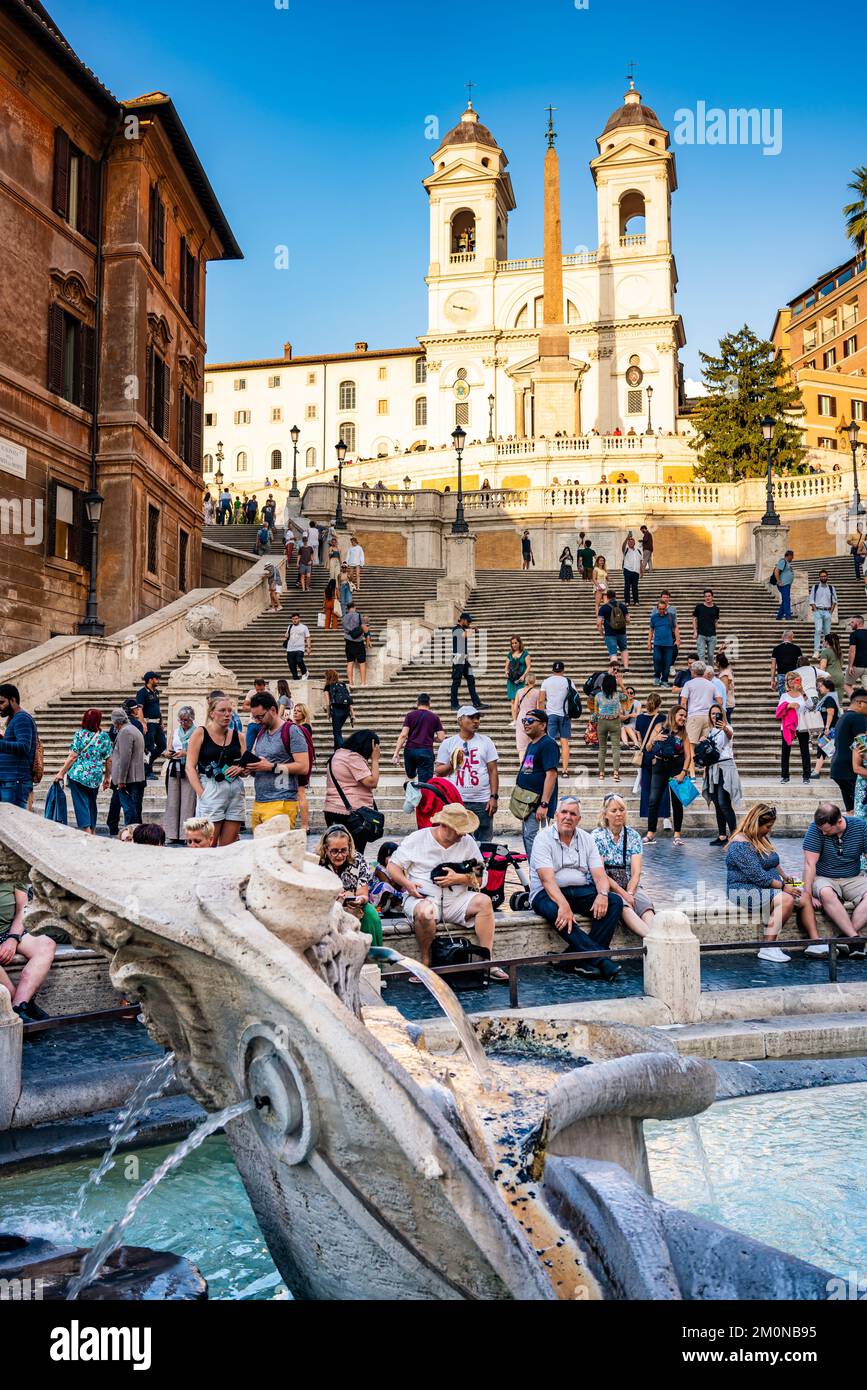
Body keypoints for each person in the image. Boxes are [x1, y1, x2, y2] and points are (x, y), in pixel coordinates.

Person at [387, 805, 507, 979]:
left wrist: (458, 879)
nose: (463, 834)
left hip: (458, 899)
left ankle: (487, 960)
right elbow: (393, 865)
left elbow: (482, 877)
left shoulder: (468, 842)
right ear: (444, 825)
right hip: (423, 898)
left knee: (484, 902)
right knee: (424, 912)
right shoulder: (418, 838)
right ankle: (426, 963)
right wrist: (408, 884)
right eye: (459, 830)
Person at [528, 798, 623, 981]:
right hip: (546, 893)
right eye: (564, 812)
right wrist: (563, 905)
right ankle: (600, 959)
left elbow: (599, 875)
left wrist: (603, 894)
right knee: (556, 910)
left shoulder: (586, 839)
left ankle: (572, 961)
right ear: (556, 816)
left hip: (579, 890)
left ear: (579, 819)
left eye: (573, 814)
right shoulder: (543, 838)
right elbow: (547, 880)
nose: (567, 817)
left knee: (614, 902)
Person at [726, 803, 823, 962]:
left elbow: (774, 863)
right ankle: (768, 947)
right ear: (756, 824)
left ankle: (815, 943)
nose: (769, 830)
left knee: (804, 896)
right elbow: (758, 876)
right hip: (744, 889)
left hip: (768, 886)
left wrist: (790, 881)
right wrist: (785, 888)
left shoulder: (760, 837)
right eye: (767, 827)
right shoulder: (740, 845)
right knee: (786, 898)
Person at [803, 803, 867, 956]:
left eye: (827, 830)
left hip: (853, 877)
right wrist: (808, 895)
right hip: (824, 877)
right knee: (825, 893)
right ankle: (854, 939)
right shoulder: (815, 829)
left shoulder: (860, 826)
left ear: (839, 822)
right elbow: (809, 864)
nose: (823, 834)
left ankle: (844, 938)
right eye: (821, 830)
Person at [185, 694, 245, 847]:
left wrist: (240, 768)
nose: (227, 714)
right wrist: (201, 792)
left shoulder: (239, 736)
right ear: (212, 713)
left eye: (230, 711)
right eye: (222, 710)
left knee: (230, 846)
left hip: (235, 787)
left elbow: (248, 766)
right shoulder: (200, 733)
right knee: (207, 843)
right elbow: (190, 766)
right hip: (211, 786)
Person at [593, 794, 654, 937]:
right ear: (605, 814)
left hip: (630, 884)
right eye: (614, 811)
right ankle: (653, 940)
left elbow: (636, 872)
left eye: (621, 810)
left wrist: (631, 893)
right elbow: (600, 873)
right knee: (623, 905)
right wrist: (624, 894)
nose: (619, 814)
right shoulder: (597, 836)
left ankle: (657, 937)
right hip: (607, 885)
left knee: (645, 906)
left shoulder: (633, 836)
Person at [246, 692, 309, 830]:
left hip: (281, 801)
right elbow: (263, 767)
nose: (257, 721)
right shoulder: (262, 732)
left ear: (273, 710)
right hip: (260, 801)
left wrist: (270, 767)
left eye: (260, 717)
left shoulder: (292, 731)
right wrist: (251, 769)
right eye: (255, 717)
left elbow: (303, 766)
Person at [435, 707, 498, 843]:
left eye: (478, 718)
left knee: (485, 841)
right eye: (471, 718)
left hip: (483, 801)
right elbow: (438, 771)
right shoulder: (448, 743)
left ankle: (483, 864)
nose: (476, 721)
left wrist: (494, 797)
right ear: (460, 720)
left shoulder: (486, 742)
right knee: (459, 841)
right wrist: (453, 764)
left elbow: (493, 770)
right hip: (457, 800)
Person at [0, 880, 56, 1022]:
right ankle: (22, 1004)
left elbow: (22, 908)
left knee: (46, 945)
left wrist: (13, 938)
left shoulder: (11, 871)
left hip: (8, 932)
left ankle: (19, 1007)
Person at [317, 826, 382, 948]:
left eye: (344, 850)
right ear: (326, 849)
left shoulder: (358, 860)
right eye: (334, 851)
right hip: (325, 908)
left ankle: (374, 961)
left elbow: (363, 894)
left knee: (371, 915)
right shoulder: (317, 862)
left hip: (353, 906)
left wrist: (360, 900)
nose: (340, 855)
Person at [51, 709, 112, 833]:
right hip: (95, 776)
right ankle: (92, 830)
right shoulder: (104, 736)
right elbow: (109, 760)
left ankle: (86, 831)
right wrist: (107, 778)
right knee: (91, 804)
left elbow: (73, 756)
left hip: (78, 775)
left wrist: (61, 773)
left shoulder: (80, 734)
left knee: (81, 804)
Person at [323, 729, 381, 854]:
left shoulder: (337, 755)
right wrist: (375, 760)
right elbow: (372, 782)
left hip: (333, 809)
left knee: (338, 853)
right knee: (355, 854)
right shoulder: (353, 757)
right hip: (352, 814)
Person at [644, 705, 693, 847]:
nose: (683, 718)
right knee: (653, 800)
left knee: (677, 802)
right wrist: (654, 739)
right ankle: (650, 834)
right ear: (673, 715)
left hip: (676, 768)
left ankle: (677, 835)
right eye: (681, 715)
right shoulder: (660, 727)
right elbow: (648, 747)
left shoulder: (684, 733)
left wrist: (683, 773)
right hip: (659, 766)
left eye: (685, 716)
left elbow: (689, 756)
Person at [514, 708, 559, 859]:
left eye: (531, 721)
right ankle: (536, 871)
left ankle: (540, 872)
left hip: (538, 804)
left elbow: (551, 774)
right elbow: (528, 770)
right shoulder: (532, 744)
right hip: (527, 801)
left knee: (535, 839)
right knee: (528, 837)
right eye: (524, 721)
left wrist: (544, 804)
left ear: (543, 725)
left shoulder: (548, 744)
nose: (526, 724)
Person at [700, 705, 741, 847]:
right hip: (712, 768)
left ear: (722, 715)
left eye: (717, 713)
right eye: (712, 714)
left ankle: (735, 835)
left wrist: (724, 727)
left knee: (724, 802)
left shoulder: (727, 728)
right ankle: (722, 835)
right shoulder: (710, 732)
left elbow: (730, 735)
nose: (714, 716)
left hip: (725, 767)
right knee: (717, 803)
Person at [106, 707, 146, 827]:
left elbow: (125, 758)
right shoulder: (133, 729)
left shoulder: (125, 732)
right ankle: (117, 827)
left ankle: (131, 832)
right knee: (132, 808)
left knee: (130, 810)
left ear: (116, 723)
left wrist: (121, 780)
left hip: (129, 778)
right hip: (135, 776)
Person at [163, 704, 197, 843]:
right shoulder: (175, 732)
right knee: (172, 801)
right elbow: (167, 749)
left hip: (189, 768)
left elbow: (199, 753)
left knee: (188, 802)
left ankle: (185, 835)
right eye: (181, 720)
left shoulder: (197, 732)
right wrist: (168, 754)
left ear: (192, 719)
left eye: (186, 720)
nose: (183, 723)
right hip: (174, 767)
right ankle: (171, 834)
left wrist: (185, 753)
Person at [392, 694, 444, 784]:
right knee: (425, 783)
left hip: (410, 751)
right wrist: (430, 738)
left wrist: (396, 752)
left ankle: (411, 792)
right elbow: (441, 737)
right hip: (426, 751)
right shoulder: (434, 717)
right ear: (429, 703)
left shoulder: (410, 715)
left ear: (417, 703)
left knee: (410, 776)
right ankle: (423, 796)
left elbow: (404, 735)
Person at [830, 688, 867, 811]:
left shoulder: (844, 717)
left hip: (839, 769)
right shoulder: (858, 718)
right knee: (860, 808)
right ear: (860, 703)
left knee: (851, 809)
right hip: (850, 770)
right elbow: (862, 745)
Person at [776, 670, 814, 784]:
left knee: (804, 751)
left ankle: (806, 776)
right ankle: (785, 776)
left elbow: (811, 706)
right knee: (785, 751)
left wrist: (802, 691)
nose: (792, 681)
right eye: (789, 679)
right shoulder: (784, 695)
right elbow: (779, 710)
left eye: (794, 679)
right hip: (787, 726)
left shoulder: (803, 693)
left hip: (801, 725)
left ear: (799, 680)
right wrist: (788, 705)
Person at [539, 660, 573, 776]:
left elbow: (541, 700)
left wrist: (541, 714)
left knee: (550, 741)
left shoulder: (546, 682)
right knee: (564, 742)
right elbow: (573, 697)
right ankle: (565, 770)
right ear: (563, 670)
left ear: (553, 670)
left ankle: (550, 768)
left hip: (550, 715)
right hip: (565, 714)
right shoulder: (568, 681)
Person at [591, 672, 623, 783]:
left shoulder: (598, 696)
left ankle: (601, 773)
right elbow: (628, 698)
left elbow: (595, 711)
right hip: (614, 722)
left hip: (602, 722)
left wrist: (594, 722)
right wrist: (622, 685)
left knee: (602, 748)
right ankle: (616, 773)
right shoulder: (618, 695)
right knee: (616, 748)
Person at [450, 611, 483, 711]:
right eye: (468, 621)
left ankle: (477, 703)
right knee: (456, 681)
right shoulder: (456, 629)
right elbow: (464, 635)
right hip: (458, 658)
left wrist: (471, 628)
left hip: (464, 659)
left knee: (471, 679)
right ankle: (454, 704)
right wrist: (472, 630)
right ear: (462, 620)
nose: (469, 623)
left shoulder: (463, 629)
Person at [135, 672, 166, 777]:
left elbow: (157, 707)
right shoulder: (142, 692)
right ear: (150, 680)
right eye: (156, 679)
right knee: (149, 747)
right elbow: (140, 709)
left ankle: (147, 764)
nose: (158, 681)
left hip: (157, 723)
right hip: (148, 723)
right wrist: (143, 723)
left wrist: (161, 721)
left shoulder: (156, 692)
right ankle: (148, 771)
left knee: (162, 745)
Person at [292, 700, 315, 831]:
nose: (295, 713)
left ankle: (305, 825)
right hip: (300, 762)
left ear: (304, 713)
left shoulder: (305, 727)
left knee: (300, 793)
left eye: (298, 711)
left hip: (302, 763)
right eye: (294, 710)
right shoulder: (300, 726)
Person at [812, 676, 841, 779]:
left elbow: (830, 713)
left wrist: (827, 728)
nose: (820, 688)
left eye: (822, 686)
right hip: (829, 728)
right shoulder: (830, 697)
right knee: (828, 749)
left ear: (828, 688)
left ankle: (816, 772)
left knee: (822, 748)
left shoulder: (829, 698)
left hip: (830, 728)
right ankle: (816, 771)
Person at [596, 590, 630, 668]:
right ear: (615, 596)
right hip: (622, 632)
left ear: (607, 597)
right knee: (624, 649)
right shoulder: (622, 606)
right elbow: (628, 619)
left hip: (609, 633)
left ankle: (615, 669)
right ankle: (626, 668)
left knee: (613, 652)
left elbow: (598, 623)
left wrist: (602, 634)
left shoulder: (604, 608)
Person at [647, 600, 677, 687]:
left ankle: (664, 680)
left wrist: (678, 639)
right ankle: (657, 677)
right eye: (660, 609)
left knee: (667, 663)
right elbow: (651, 630)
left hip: (668, 644)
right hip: (657, 644)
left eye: (663, 609)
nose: (662, 611)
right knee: (657, 660)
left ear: (666, 608)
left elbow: (675, 629)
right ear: (657, 608)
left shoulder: (671, 616)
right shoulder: (654, 617)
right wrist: (649, 642)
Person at [809, 569, 837, 658]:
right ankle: (816, 651)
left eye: (824, 576)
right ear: (819, 577)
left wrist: (831, 612)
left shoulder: (831, 588)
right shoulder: (815, 587)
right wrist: (815, 610)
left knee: (827, 633)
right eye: (821, 576)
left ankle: (825, 650)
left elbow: (834, 601)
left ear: (827, 577)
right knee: (818, 630)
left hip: (827, 611)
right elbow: (811, 600)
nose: (823, 577)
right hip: (818, 611)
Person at [324, 667, 354, 748]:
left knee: (336, 732)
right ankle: (336, 750)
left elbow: (328, 703)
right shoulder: (342, 685)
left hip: (337, 711)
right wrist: (352, 714)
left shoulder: (327, 686)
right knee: (337, 731)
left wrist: (328, 713)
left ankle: (343, 750)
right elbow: (349, 701)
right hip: (346, 711)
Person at [343, 602, 370, 687]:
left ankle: (351, 683)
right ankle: (363, 683)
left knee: (350, 662)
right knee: (362, 663)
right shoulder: (359, 616)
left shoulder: (344, 617)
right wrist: (367, 640)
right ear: (354, 607)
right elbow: (365, 629)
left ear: (347, 609)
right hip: (358, 642)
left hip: (348, 641)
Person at [770, 629, 804, 696]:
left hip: (781, 675)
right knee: (794, 696)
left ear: (782, 637)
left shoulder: (776, 649)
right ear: (792, 637)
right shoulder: (797, 648)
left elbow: (773, 666)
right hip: (793, 676)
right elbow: (801, 664)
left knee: (783, 697)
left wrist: (772, 680)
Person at [505, 636, 531, 721]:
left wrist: (524, 676)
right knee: (513, 701)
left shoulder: (525, 653)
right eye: (512, 643)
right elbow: (506, 667)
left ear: (519, 643)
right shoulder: (510, 654)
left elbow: (529, 666)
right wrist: (506, 672)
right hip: (512, 680)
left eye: (516, 643)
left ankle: (521, 719)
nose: (514, 645)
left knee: (521, 700)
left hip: (521, 680)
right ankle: (514, 720)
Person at [692, 589, 720, 666]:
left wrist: (714, 628)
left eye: (709, 596)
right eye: (705, 596)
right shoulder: (699, 607)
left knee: (711, 655)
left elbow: (716, 620)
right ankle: (702, 673)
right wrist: (695, 631)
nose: (707, 598)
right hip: (701, 634)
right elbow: (694, 618)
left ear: (712, 597)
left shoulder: (716, 608)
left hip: (712, 635)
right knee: (701, 655)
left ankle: (710, 672)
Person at [284, 612, 311, 680]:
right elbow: (287, 635)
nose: (295, 620)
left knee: (299, 660)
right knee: (291, 665)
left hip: (300, 648)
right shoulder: (289, 626)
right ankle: (296, 678)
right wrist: (286, 636)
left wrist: (308, 647)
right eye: (293, 619)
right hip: (290, 649)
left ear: (299, 619)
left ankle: (304, 672)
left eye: (296, 619)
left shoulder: (304, 627)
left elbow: (308, 637)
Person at [846, 617, 867, 696]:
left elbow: (852, 651)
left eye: (852, 622)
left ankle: (855, 703)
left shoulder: (854, 634)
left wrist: (850, 665)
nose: (850, 624)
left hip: (856, 665)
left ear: (857, 623)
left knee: (847, 685)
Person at [773, 549, 795, 621]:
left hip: (786, 585)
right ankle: (788, 617)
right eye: (792, 556)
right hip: (783, 585)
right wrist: (779, 581)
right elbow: (776, 571)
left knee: (785, 600)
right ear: (789, 556)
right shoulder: (783, 561)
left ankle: (779, 617)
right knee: (787, 600)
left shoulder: (787, 563)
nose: (793, 558)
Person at [714, 652, 736, 722]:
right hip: (726, 703)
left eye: (716, 661)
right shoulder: (726, 671)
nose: (715, 662)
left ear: (718, 663)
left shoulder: (724, 674)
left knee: (726, 723)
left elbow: (724, 690)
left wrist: (721, 704)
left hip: (726, 704)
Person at [622, 535, 642, 606]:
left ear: (634, 543)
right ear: (628, 543)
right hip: (627, 570)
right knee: (627, 586)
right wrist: (626, 538)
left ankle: (636, 601)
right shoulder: (626, 550)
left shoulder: (638, 551)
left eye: (632, 542)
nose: (631, 543)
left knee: (635, 587)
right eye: (629, 542)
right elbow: (623, 546)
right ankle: (627, 601)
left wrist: (641, 571)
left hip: (636, 571)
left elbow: (640, 562)